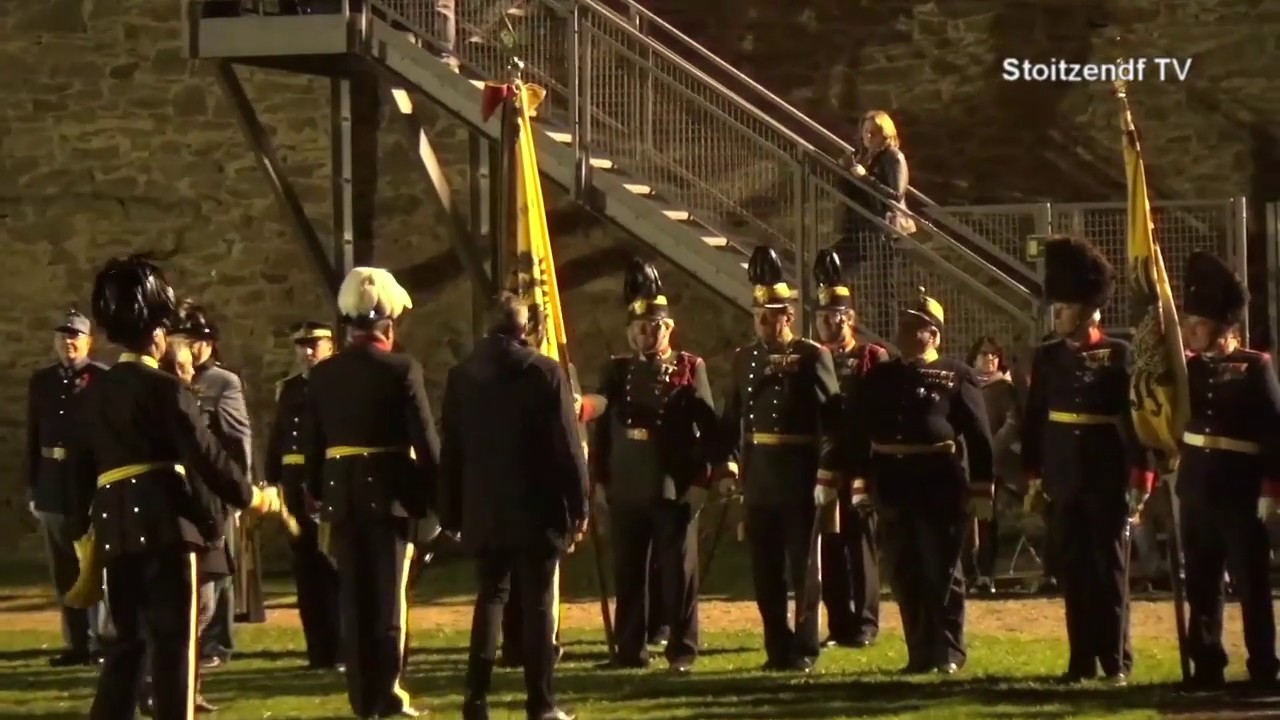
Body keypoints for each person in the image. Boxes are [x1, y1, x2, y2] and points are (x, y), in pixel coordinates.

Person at [64, 254, 286, 720]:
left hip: (115, 528)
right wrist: (253, 496)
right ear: (158, 335)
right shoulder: (165, 389)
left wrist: (82, 534)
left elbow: (79, 476)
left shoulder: (91, 394)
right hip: (168, 528)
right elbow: (206, 456)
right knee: (174, 648)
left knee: (126, 644)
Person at [302, 267, 439, 719]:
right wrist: (439, 498)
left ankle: (362, 698)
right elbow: (425, 442)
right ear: (388, 324)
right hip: (390, 494)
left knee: (353, 601)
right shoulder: (402, 367)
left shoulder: (323, 374)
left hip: (342, 497)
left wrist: (315, 493)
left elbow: (313, 445)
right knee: (387, 603)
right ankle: (387, 693)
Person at [442, 292, 586, 720]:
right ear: (526, 330)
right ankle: (540, 703)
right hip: (537, 505)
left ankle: (476, 698)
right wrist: (579, 504)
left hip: (484, 506)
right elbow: (567, 447)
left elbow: (453, 449)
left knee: (490, 598)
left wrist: (450, 509)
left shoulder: (462, 376)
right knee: (538, 604)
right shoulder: (544, 372)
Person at [1021, 235, 1153, 686]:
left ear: (1088, 311)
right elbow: (1034, 418)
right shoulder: (1046, 356)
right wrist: (1035, 474)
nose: (1056, 316)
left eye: (1063, 308)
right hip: (1063, 476)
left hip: (1105, 473)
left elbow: (1134, 419)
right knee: (1073, 569)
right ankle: (1080, 661)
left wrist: (1141, 476)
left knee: (1109, 568)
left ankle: (1115, 659)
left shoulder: (1118, 354)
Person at [850, 288, 993, 675]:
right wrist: (861, 484)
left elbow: (980, 438)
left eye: (914, 326)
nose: (903, 331)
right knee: (904, 572)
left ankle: (948, 651)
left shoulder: (956, 375)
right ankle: (918, 651)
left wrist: (982, 491)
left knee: (942, 571)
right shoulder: (881, 376)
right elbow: (860, 433)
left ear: (934, 333)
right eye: (902, 323)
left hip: (938, 485)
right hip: (893, 486)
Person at [712, 246, 841, 673]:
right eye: (759, 315)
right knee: (765, 570)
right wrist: (728, 466)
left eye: (773, 315)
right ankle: (776, 646)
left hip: (799, 473)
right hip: (760, 477)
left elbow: (832, 420)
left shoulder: (810, 356)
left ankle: (804, 646)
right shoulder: (744, 359)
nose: (765, 323)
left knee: (804, 569)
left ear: (788, 315)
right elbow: (733, 420)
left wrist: (826, 473)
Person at [590, 260, 718, 673]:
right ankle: (629, 649)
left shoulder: (689, 367)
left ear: (670, 328)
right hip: (627, 484)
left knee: (678, 575)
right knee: (628, 573)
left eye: (657, 327)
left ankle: (682, 650)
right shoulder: (617, 370)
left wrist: (703, 481)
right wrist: (598, 481)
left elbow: (709, 430)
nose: (650, 334)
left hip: (671, 485)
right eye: (642, 328)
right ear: (631, 331)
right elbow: (603, 432)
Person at [1177, 251, 1280, 690]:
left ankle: (1263, 667)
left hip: (1240, 490)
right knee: (1201, 583)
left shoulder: (1256, 367)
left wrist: (1272, 489)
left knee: (1251, 584)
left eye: (1199, 324)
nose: (1190, 331)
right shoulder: (1187, 370)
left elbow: (1275, 431)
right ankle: (1206, 665)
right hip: (1196, 487)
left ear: (1225, 328)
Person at [170, 303, 256, 667]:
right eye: (188, 340)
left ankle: (218, 642)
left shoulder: (223, 382)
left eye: (200, 340)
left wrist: (240, 486)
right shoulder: (171, 380)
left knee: (220, 567)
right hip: (185, 488)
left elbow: (238, 438)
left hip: (219, 484)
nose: (194, 347)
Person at [811, 249, 887, 648]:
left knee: (861, 548)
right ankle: (838, 623)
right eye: (822, 316)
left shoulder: (870, 357)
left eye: (835, 316)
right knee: (831, 549)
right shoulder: (815, 357)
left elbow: (879, 416)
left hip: (859, 464)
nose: (827, 323)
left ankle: (866, 623)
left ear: (850, 318)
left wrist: (868, 472)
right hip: (826, 467)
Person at [26, 309, 109, 667]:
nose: (68, 342)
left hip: (86, 485)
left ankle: (101, 642)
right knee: (63, 572)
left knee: (91, 569)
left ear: (88, 341)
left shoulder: (102, 379)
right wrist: (33, 487)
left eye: (75, 336)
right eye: (63, 335)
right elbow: (32, 437)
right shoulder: (42, 381)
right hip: (51, 485)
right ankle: (77, 643)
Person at [266, 321, 343, 671]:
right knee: (306, 574)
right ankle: (318, 651)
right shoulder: (289, 389)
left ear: (331, 346)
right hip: (294, 487)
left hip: (327, 482)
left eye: (315, 343)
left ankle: (340, 648)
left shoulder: (339, 383)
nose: (307, 351)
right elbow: (278, 437)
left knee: (333, 569)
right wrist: (270, 479)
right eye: (302, 345)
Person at [962, 336, 1019, 594]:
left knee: (987, 520)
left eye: (994, 355)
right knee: (965, 521)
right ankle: (968, 572)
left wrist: (991, 450)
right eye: (984, 354)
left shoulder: (1004, 389)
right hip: (965, 464)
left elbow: (1013, 422)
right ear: (973, 358)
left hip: (994, 466)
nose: (990, 359)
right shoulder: (965, 384)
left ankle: (986, 574)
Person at [835, 110, 912, 277]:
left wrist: (864, 177)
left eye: (874, 133)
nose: (868, 137)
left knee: (883, 284)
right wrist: (843, 172)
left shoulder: (894, 157)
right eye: (865, 132)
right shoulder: (863, 156)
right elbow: (852, 192)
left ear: (885, 134)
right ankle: (832, 297)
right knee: (831, 262)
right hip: (862, 227)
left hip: (886, 228)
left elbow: (896, 195)